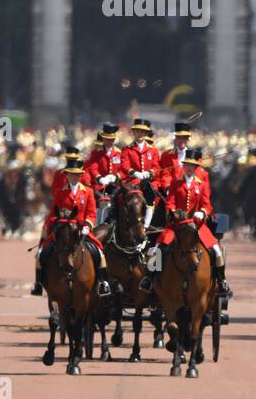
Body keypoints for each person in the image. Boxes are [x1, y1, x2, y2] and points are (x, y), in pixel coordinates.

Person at [142, 147, 232, 298]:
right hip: (176, 226)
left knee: (216, 251)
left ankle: (221, 281)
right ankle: (149, 279)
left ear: (196, 168)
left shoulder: (201, 185)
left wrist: (202, 212)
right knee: (156, 249)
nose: (189, 169)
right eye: (187, 166)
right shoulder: (176, 184)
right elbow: (170, 203)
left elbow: (207, 205)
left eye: (192, 166)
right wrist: (173, 213)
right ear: (184, 167)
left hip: (197, 226)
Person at [34, 157, 109, 297]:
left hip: (81, 230)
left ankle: (103, 282)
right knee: (41, 253)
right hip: (63, 230)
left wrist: (88, 225)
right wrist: (57, 223)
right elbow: (53, 213)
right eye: (71, 174)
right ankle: (38, 283)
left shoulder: (88, 192)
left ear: (81, 175)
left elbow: (91, 213)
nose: (74, 177)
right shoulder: (60, 192)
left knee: (99, 252)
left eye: (77, 174)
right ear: (67, 175)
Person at [120, 118, 162, 227]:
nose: (140, 134)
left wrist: (150, 173)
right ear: (134, 132)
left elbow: (157, 166)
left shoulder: (153, 150)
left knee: (151, 198)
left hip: (148, 182)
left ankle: (146, 225)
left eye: (143, 132)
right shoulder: (127, 149)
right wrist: (134, 173)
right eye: (138, 131)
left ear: (146, 133)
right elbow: (124, 165)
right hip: (133, 181)